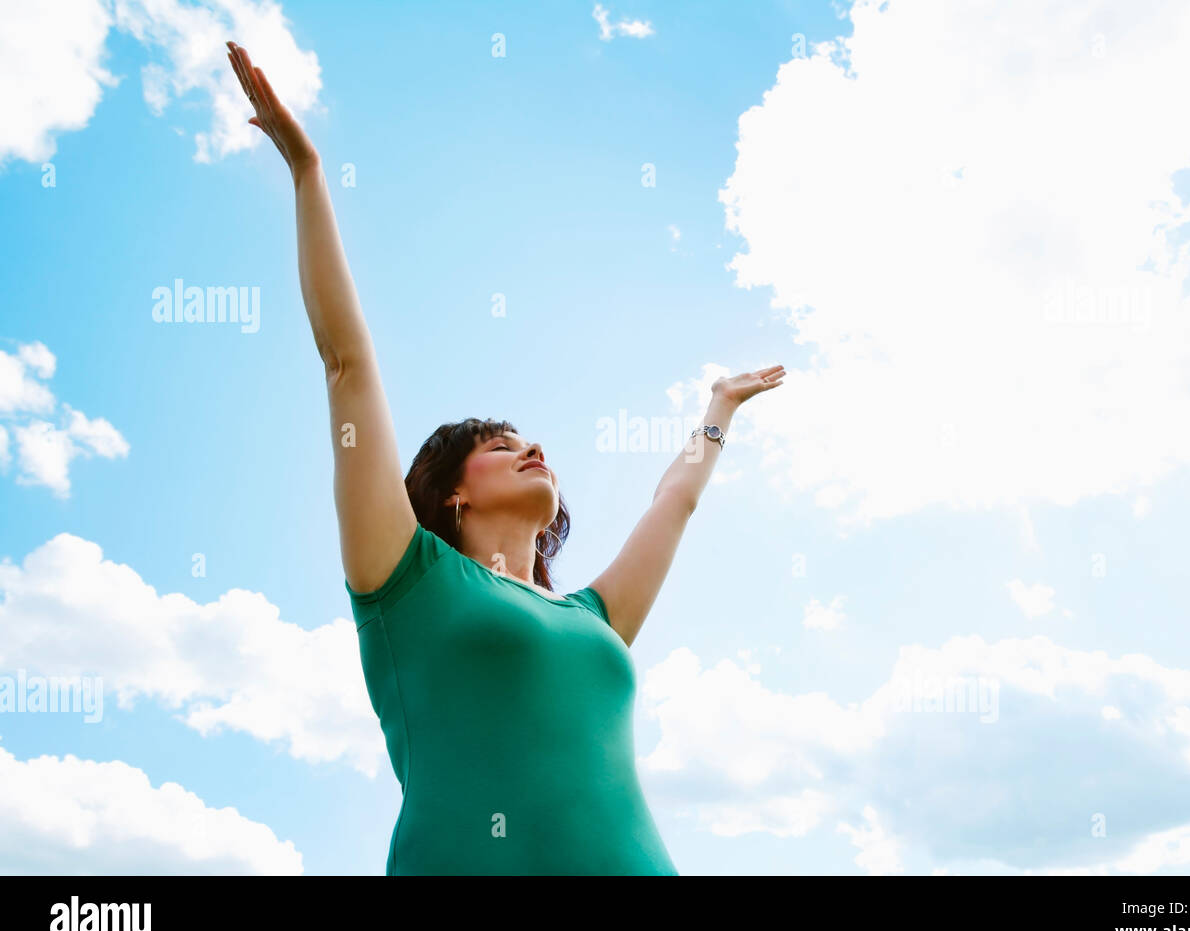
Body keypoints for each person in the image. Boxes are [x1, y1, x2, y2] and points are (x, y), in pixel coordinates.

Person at [225, 41, 785, 874]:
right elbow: (348, 362)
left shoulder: (593, 618)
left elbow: (676, 501)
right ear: (450, 493)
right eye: (501, 445)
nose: (533, 450)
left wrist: (718, 410)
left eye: (531, 441)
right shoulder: (406, 580)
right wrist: (308, 175)